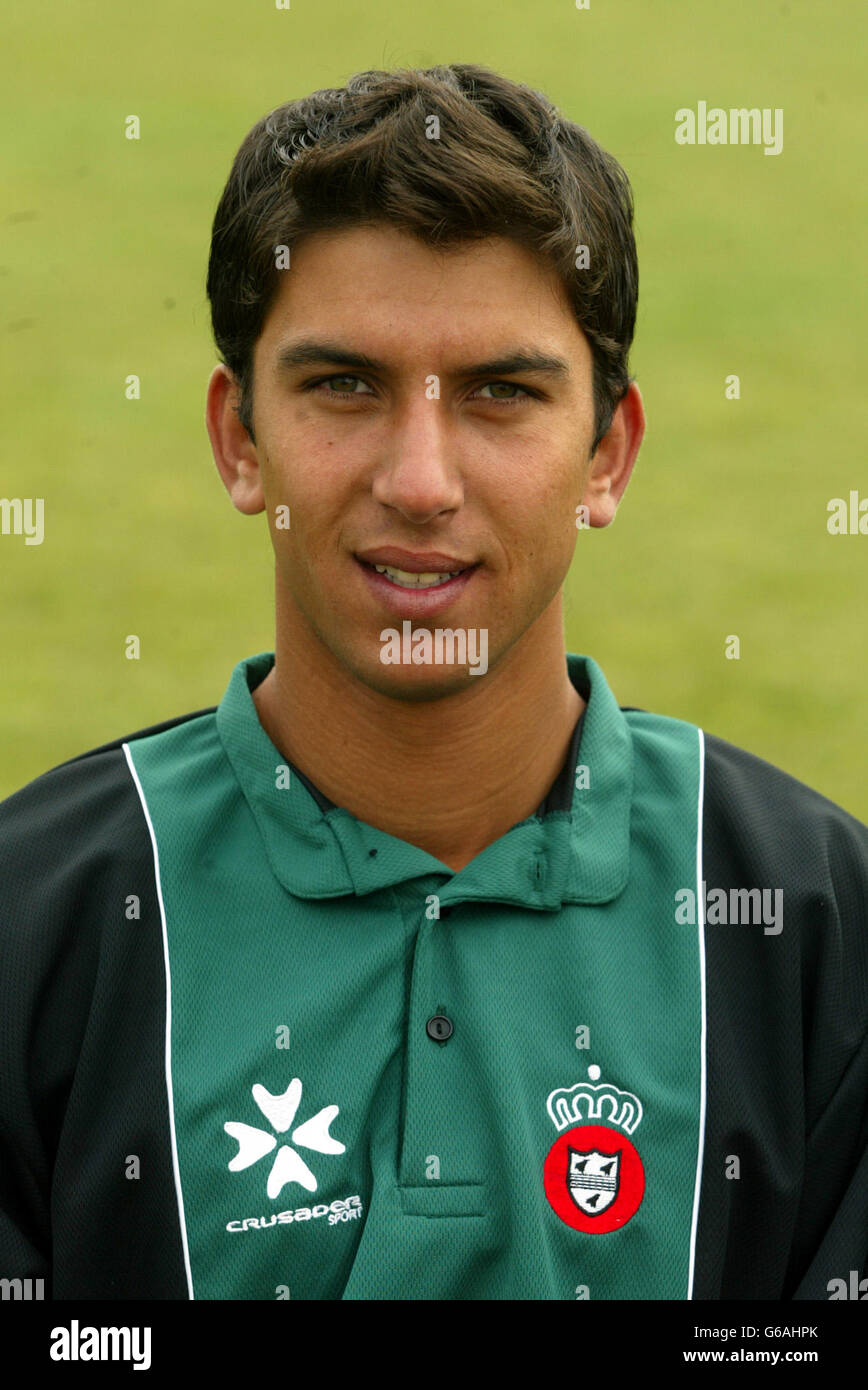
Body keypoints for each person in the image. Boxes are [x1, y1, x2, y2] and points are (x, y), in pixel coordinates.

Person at [0, 64, 865, 1302]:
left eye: (500, 394)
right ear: (240, 439)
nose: (419, 479)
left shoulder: (811, 922)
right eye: (343, 384)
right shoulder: (37, 921)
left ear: (605, 455)